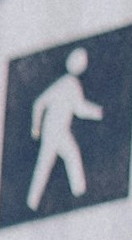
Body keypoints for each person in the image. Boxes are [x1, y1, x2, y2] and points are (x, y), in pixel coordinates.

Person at [27, 46, 103, 211]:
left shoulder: (67, 83)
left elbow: (76, 109)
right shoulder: (69, 84)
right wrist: (35, 129)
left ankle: (79, 192)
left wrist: (38, 128)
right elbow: (78, 109)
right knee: (47, 163)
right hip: (54, 131)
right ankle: (33, 202)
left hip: (58, 131)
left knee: (69, 156)